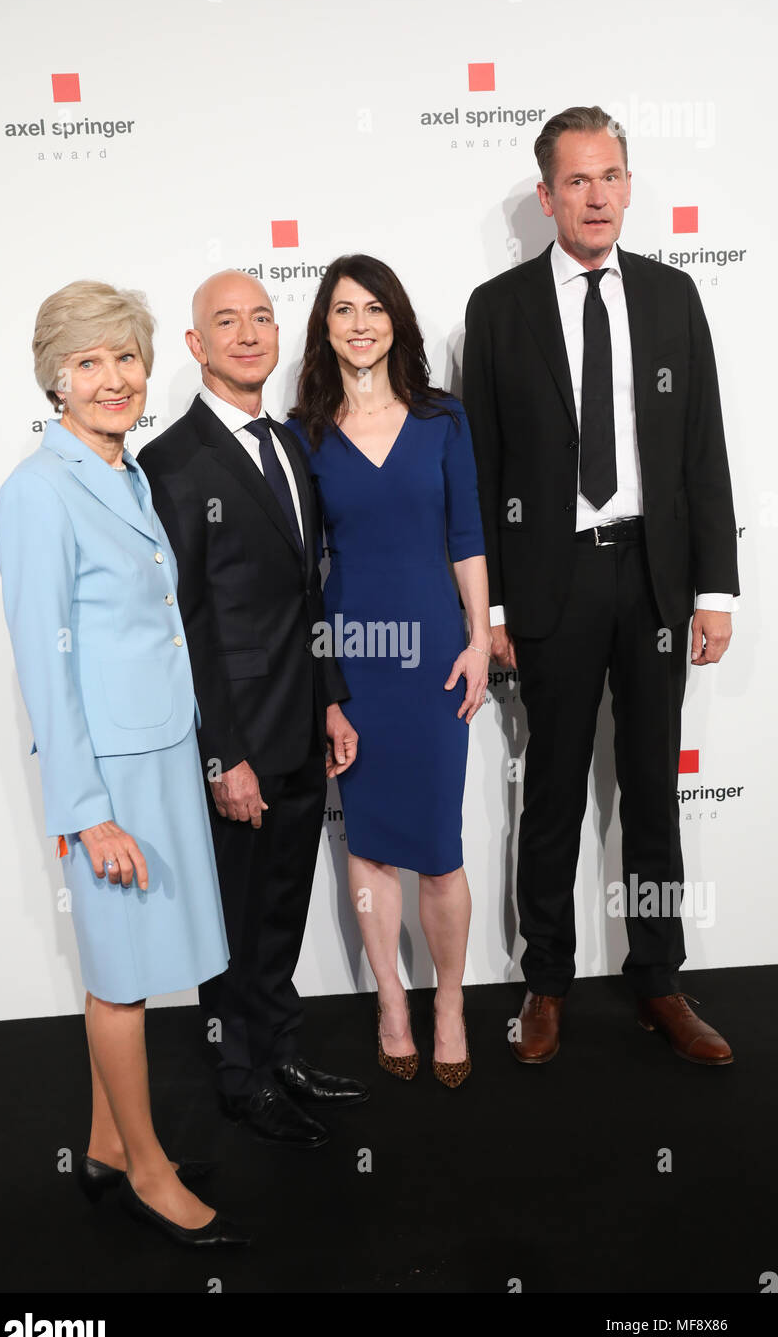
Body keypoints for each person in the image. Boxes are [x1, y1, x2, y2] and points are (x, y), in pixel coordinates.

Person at [462, 105, 739, 1066]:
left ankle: (660, 980)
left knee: (653, 793)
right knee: (551, 793)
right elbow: (484, 469)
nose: (596, 195)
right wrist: (490, 607)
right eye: (576, 180)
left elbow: (702, 448)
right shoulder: (497, 311)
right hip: (551, 581)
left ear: (629, 184)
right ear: (546, 196)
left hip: (657, 579)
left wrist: (717, 591)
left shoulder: (673, 297)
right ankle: (546, 982)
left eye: (610, 175)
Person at [0, 280, 247, 1249]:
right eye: (88, 361)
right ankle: (147, 1171)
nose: (112, 379)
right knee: (120, 981)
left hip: (161, 754)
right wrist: (86, 808)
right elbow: (45, 667)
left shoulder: (127, 472)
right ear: (55, 377)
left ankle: (104, 1144)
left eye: (125, 357)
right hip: (108, 776)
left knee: (132, 969)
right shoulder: (37, 490)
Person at [139, 270, 367, 1148]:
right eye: (225, 322)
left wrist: (333, 700)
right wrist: (222, 755)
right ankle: (241, 1078)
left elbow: (308, 595)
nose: (248, 334)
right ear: (195, 347)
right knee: (234, 920)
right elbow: (185, 623)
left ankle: (283, 1054)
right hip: (236, 742)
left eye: (262, 318)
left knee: (281, 908)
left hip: (303, 726)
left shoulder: (293, 446)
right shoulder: (172, 462)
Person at [287, 255, 490, 1088]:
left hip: (437, 656)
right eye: (344, 310)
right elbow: (304, 573)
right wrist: (329, 692)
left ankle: (448, 1001)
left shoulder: (444, 418)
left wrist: (479, 639)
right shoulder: (305, 433)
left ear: (397, 319)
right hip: (357, 660)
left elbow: (469, 536)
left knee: (440, 851)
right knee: (366, 847)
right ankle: (390, 1002)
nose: (361, 323)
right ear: (325, 327)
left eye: (375, 308)